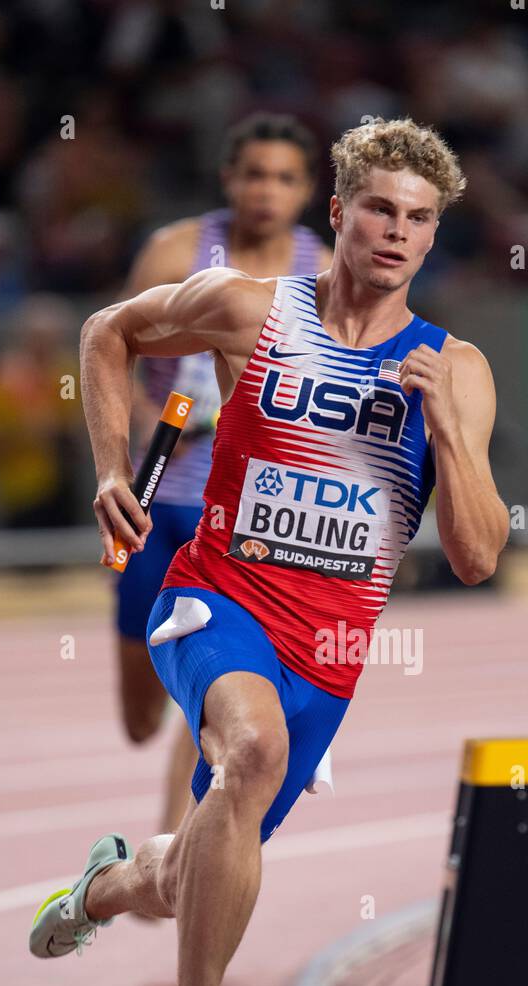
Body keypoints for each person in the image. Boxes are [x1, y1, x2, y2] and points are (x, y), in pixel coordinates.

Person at [30, 117, 510, 986]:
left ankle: (107, 886)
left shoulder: (453, 368)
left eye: (417, 219)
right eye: (378, 207)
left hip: (329, 652)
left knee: (194, 863)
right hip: (216, 598)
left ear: (430, 240)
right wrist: (114, 467)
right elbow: (105, 333)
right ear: (336, 213)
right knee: (249, 755)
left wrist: (450, 442)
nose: (395, 231)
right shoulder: (249, 309)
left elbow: (475, 557)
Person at [116, 112, 332, 833]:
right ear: (228, 180)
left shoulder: (321, 267)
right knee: (140, 716)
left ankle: (179, 838)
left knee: (222, 670)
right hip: (164, 493)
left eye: (284, 178)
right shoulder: (177, 250)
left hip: (251, 509)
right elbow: (118, 352)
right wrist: (136, 448)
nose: (266, 191)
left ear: (306, 192)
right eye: (254, 175)